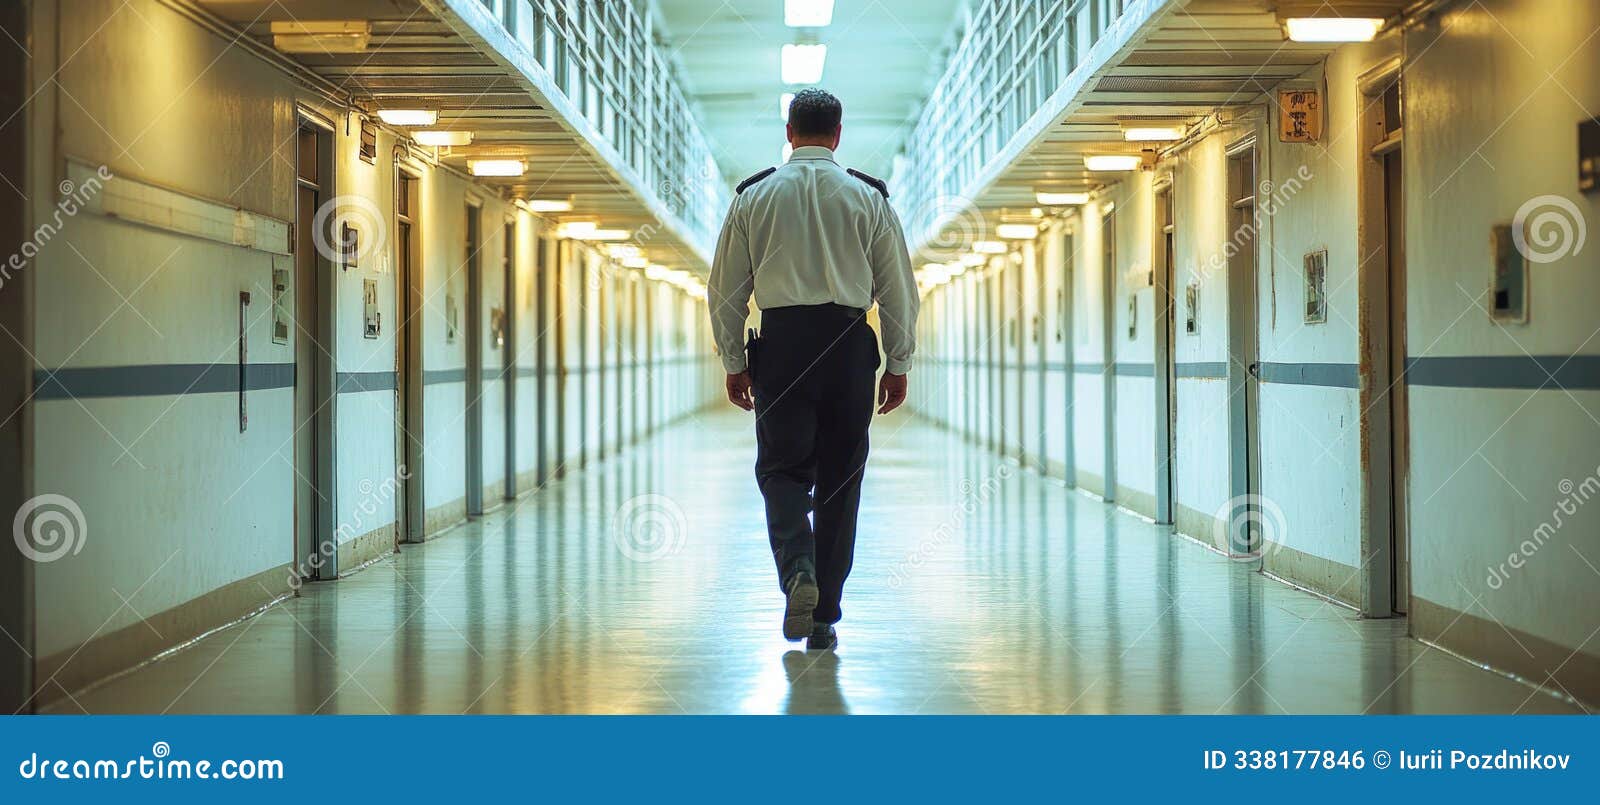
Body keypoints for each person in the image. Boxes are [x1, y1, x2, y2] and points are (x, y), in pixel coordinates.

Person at [706, 88, 919, 651]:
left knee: (781, 470)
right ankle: (823, 616)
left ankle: (797, 565)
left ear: (789, 132)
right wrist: (897, 363)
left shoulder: (753, 198)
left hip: (782, 348)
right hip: (848, 347)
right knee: (840, 480)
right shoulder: (869, 199)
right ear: (838, 133)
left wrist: (734, 361)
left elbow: (725, 291)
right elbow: (898, 291)